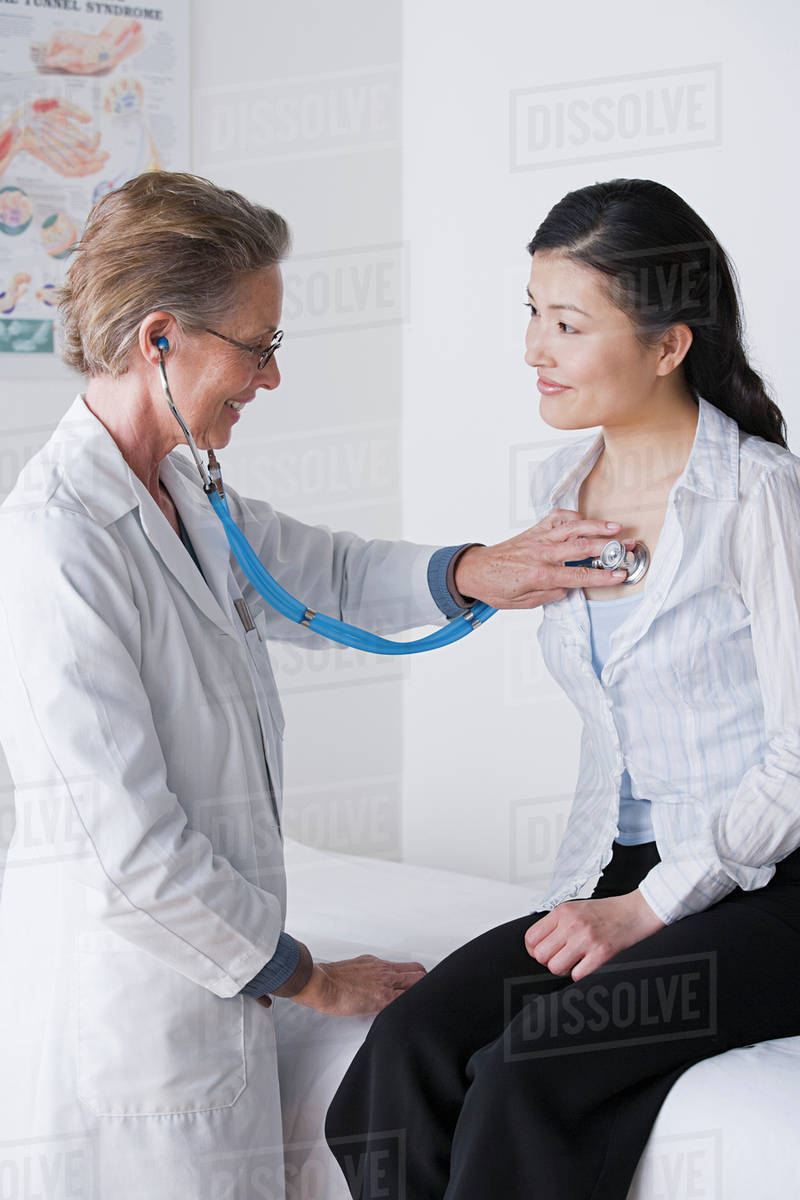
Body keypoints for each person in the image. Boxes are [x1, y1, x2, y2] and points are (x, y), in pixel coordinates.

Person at [0, 171, 627, 1200]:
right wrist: (308, 974)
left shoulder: (186, 497)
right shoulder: (56, 547)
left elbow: (318, 574)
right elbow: (127, 856)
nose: (270, 379)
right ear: (160, 338)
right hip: (129, 1037)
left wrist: (480, 568)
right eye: (258, 347)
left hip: (206, 1010)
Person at [325, 178, 800, 1200]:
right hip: (618, 867)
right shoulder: (557, 494)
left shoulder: (759, 497)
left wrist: (648, 909)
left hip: (772, 889)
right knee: (397, 1060)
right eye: (531, 315)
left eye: (567, 323)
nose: (534, 349)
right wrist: (608, 896)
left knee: (523, 1082)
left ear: (668, 345)